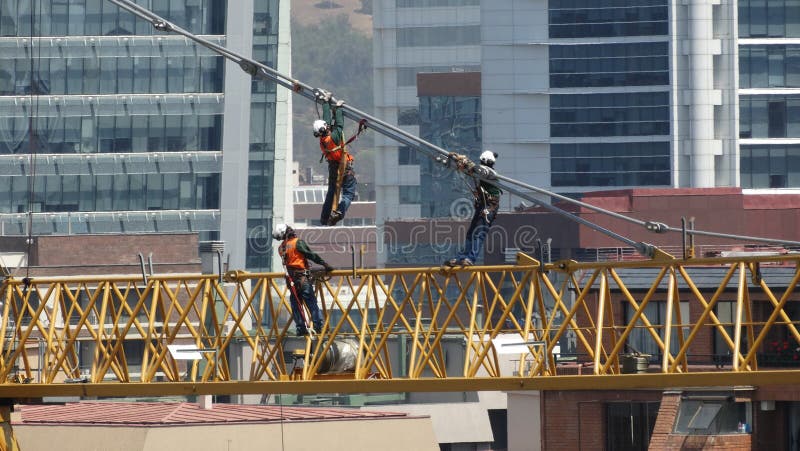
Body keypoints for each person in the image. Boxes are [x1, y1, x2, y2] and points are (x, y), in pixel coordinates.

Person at [272, 223, 334, 336]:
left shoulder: (281, 248)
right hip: (302, 278)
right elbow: (310, 255)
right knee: (311, 302)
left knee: (296, 304)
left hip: (291, 281)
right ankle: (318, 326)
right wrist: (324, 264)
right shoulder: (297, 242)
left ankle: (301, 328)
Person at [446, 150, 502, 266]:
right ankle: (462, 257)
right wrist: (458, 161)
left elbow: (477, 169)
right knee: (471, 233)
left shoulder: (489, 172)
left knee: (479, 232)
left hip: (489, 206)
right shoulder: (484, 172)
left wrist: (464, 159)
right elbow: (471, 171)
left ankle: (470, 259)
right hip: (483, 204)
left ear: (484, 161)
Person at [314, 93, 357, 226]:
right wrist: (338, 109)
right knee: (349, 193)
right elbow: (339, 125)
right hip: (344, 167)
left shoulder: (323, 141)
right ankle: (339, 212)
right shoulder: (334, 137)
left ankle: (324, 217)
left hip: (333, 167)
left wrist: (326, 103)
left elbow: (326, 121)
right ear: (325, 129)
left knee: (332, 191)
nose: (328, 126)